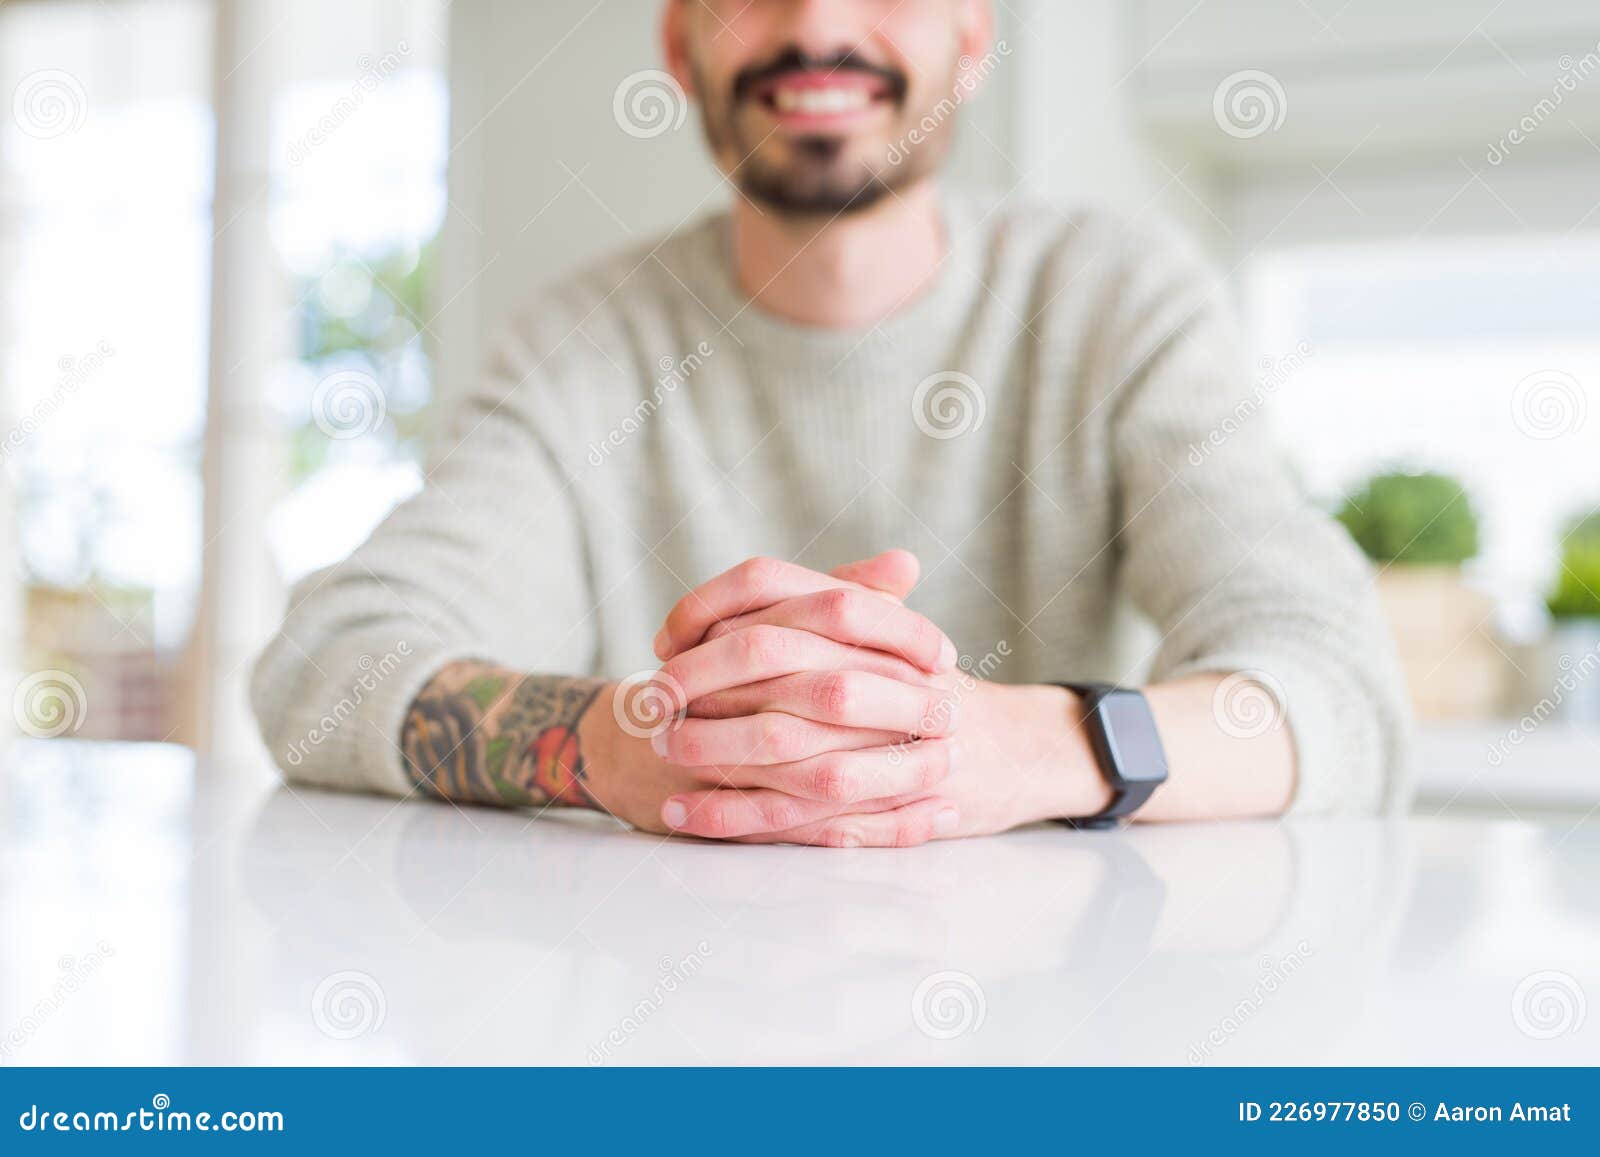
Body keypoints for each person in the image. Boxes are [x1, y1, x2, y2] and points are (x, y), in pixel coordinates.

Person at [251, 0, 1408, 847]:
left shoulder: (1116, 296)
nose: (816, 23)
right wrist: (610, 740)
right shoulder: (578, 344)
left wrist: (1024, 744)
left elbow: (1333, 679)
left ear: (970, 36)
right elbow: (322, 667)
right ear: (680, 45)